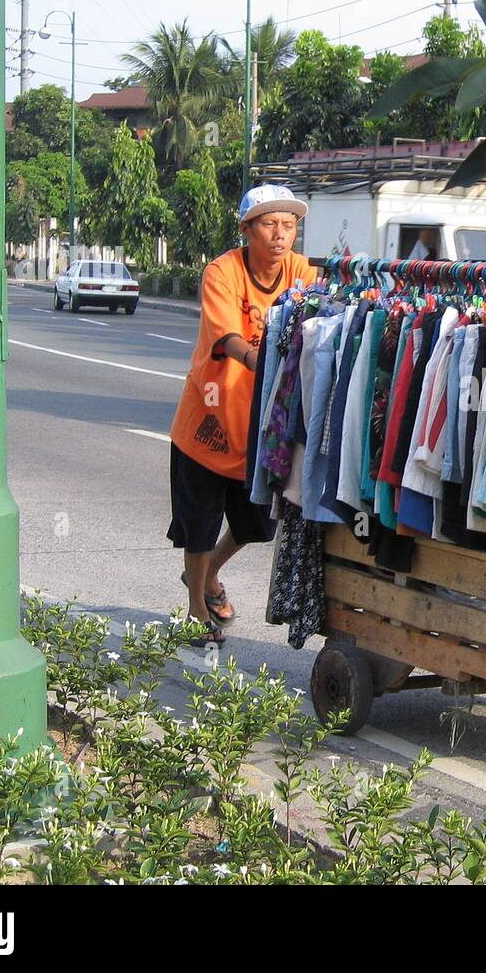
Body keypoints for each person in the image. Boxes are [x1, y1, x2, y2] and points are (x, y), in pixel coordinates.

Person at [167, 184, 318, 644]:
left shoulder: (301, 272)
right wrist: (261, 357)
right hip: (210, 421)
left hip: (264, 425)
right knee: (199, 524)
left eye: (288, 225)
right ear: (247, 229)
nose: (280, 234)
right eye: (269, 224)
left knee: (258, 524)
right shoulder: (223, 271)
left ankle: (211, 569)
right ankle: (197, 611)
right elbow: (226, 335)